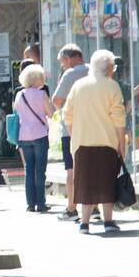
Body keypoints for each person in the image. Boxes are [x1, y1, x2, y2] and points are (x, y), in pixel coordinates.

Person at [62, 50, 126, 234]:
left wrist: (75, 135)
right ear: (108, 69)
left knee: (85, 183)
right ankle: (108, 221)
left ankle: (84, 223)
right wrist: (121, 144)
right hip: (107, 142)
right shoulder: (112, 86)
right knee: (107, 182)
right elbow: (119, 119)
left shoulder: (79, 85)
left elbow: (67, 116)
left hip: (82, 143)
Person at [51, 44, 90, 219]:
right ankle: (93, 206)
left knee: (72, 170)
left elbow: (57, 100)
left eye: (62, 62)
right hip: (93, 127)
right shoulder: (94, 71)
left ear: (69, 58)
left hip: (71, 129)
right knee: (91, 168)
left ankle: (72, 208)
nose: (62, 65)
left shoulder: (71, 74)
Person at [14, 64, 54, 213]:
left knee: (29, 170)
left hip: (24, 136)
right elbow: (50, 113)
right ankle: (41, 203)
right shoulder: (41, 94)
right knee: (40, 171)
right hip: (40, 134)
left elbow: (17, 112)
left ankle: (30, 204)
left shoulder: (20, 94)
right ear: (38, 79)